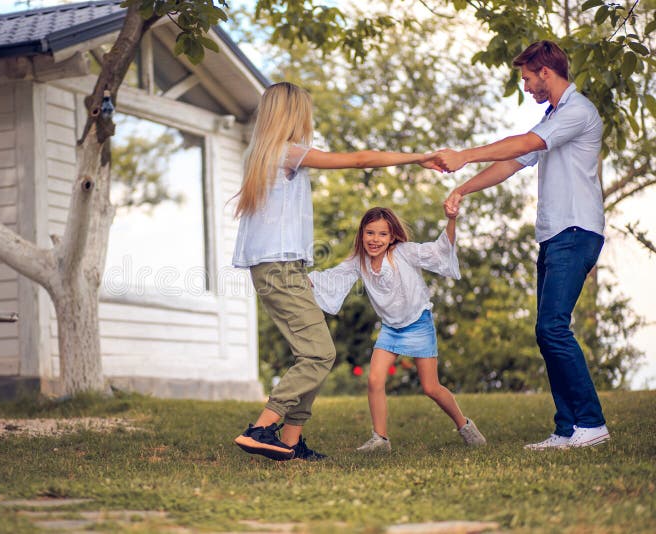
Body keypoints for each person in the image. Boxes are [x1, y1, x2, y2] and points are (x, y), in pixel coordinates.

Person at [232, 82, 441, 461]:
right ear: (294, 116)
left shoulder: (261, 155)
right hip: (279, 268)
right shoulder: (285, 153)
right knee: (318, 354)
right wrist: (417, 158)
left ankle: (290, 440)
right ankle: (262, 427)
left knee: (311, 353)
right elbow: (359, 159)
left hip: (279, 267)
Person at [436, 40, 609, 449]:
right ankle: (567, 429)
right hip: (554, 236)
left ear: (545, 72)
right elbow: (513, 162)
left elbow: (522, 145)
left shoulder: (577, 111)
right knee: (547, 330)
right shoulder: (553, 117)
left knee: (552, 327)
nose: (528, 86)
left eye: (529, 78)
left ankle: (591, 422)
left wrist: (464, 155)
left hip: (576, 231)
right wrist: (465, 187)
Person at [308, 207, 486, 452]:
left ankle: (465, 425)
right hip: (391, 328)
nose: (375, 239)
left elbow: (439, 250)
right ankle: (380, 439)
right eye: (369, 233)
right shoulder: (359, 262)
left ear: (392, 237)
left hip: (418, 322)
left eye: (382, 234)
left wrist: (452, 219)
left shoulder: (404, 252)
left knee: (431, 387)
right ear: (362, 234)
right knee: (374, 380)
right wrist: (305, 279)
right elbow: (332, 277)